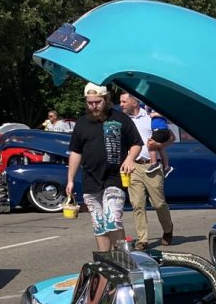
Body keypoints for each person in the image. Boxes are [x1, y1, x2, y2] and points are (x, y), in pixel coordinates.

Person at [66, 83, 143, 252]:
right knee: (99, 225)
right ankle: (106, 262)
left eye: (98, 102)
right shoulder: (82, 123)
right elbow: (76, 152)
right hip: (91, 180)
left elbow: (137, 143)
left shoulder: (120, 118)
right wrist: (70, 180)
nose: (94, 106)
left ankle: (122, 259)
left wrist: (130, 158)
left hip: (114, 178)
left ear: (106, 99)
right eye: (90, 102)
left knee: (112, 219)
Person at [119, 90, 173, 250]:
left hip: (151, 165)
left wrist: (159, 146)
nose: (121, 105)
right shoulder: (123, 120)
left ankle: (168, 229)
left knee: (158, 203)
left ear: (134, 102)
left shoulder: (150, 117)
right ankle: (143, 239)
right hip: (133, 166)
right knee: (137, 204)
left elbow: (171, 138)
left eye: (123, 102)